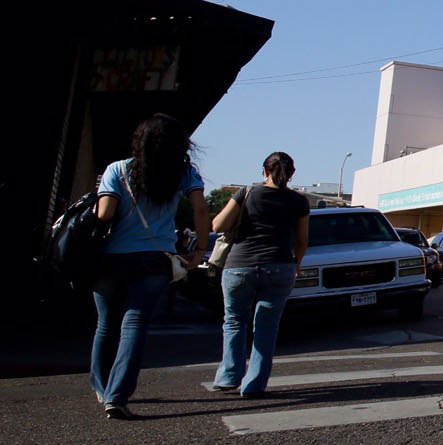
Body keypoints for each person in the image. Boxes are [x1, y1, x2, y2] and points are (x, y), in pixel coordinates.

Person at [92, 114, 209, 419]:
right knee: (135, 324)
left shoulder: (117, 169)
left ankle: (101, 387)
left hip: (112, 258)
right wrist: (199, 251)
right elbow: (200, 208)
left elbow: (105, 214)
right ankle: (117, 397)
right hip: (155, 259)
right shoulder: (184, 172)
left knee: (106, 325)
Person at [210, 151, 310, 397]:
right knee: (266, 327)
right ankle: (253, 385)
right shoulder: (299, 201)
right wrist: (296, 266)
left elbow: (218, 226)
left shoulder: (247, 193)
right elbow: (302, 240)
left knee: (234, 321)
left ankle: (228, 376)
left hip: (240, 266)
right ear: (292, 173)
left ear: (264, 171)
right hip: (280, 266)